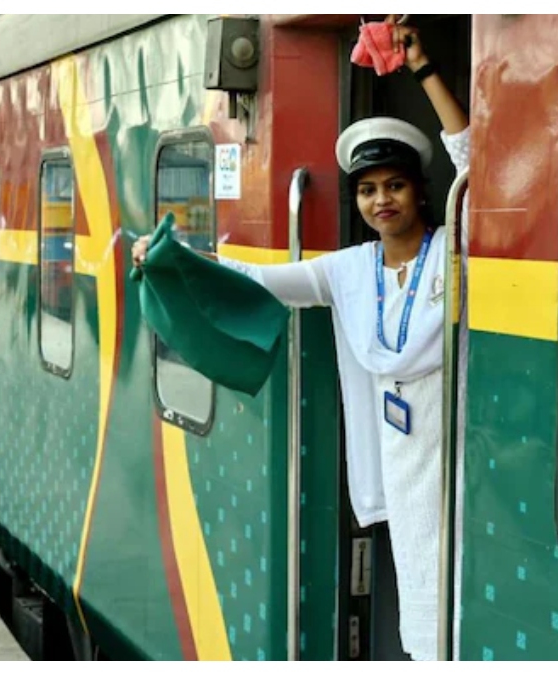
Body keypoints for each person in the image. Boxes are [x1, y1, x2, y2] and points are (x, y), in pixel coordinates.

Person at [133, 17, 467, 661]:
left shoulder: (455, 252)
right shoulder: (347, 271)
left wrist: (424, 72)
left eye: (395, 185)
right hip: (400, 460)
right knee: (423, 594)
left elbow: (475, 161)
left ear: (422, 192)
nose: (381, 201)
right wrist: (172, 257)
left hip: (451, 455)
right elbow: (258, 279)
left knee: (455, 585)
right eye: (367, 191)